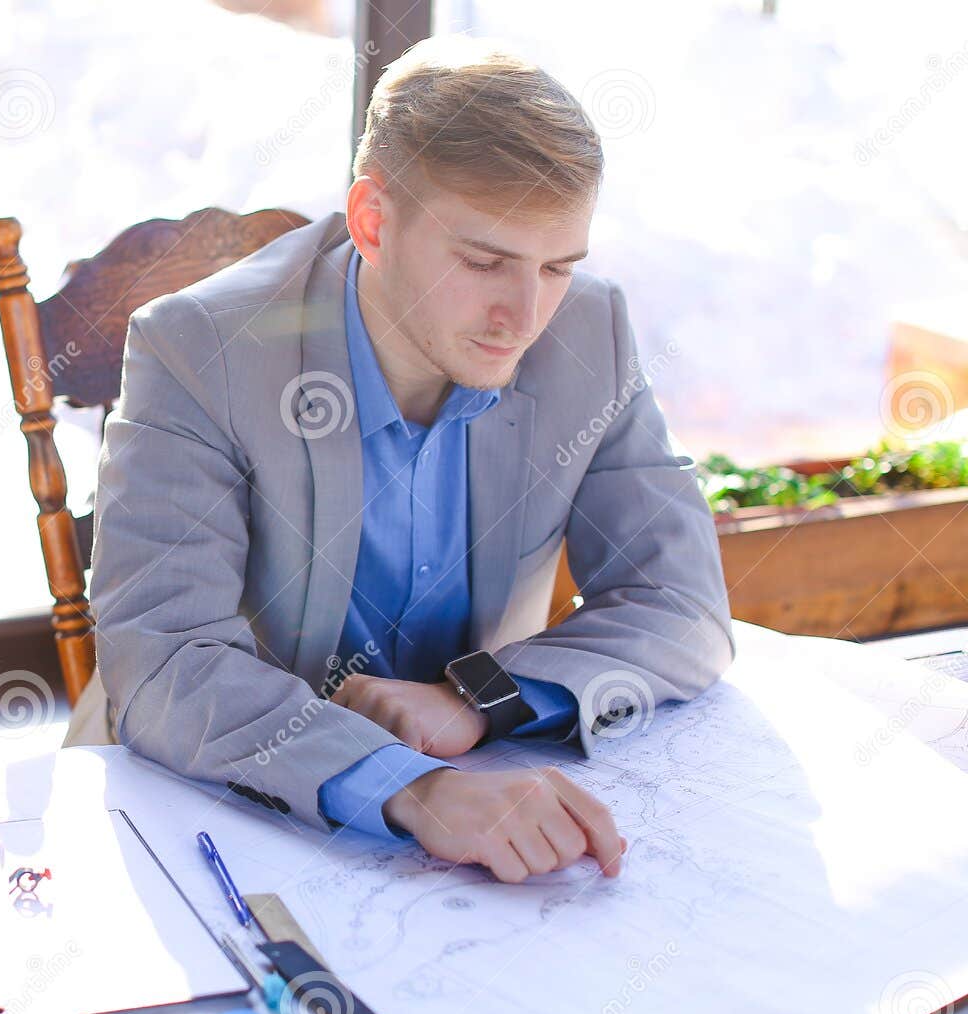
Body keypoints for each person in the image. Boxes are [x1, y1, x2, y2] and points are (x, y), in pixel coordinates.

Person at [83, 37, 733, 884]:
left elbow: (683, 605)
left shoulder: (589, 331)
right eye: (485, 262)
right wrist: (415, 786)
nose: (524, 316)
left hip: (483, 806)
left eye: (557, 267)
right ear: (372, 222)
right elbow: (166, 662)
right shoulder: (199, 348)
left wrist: (478, 698)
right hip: (216, 814)